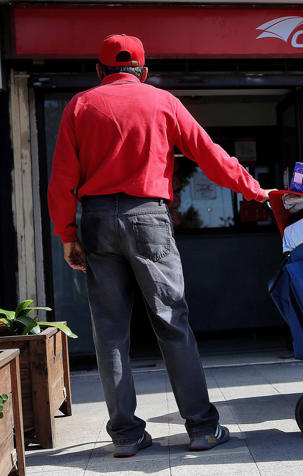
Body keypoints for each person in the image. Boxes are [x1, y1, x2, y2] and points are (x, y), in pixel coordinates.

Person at [47, 34, 274, 457]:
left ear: (99, 71)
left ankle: (127, 436)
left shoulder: (80, 105)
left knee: (110, 331)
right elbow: (209, 155)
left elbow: (61, 178)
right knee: (172, 322)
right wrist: (254, 190)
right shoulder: (163, 102)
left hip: (96, 220)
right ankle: (202, 428)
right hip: (148, 216)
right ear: (143, 72)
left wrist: (67, 234)